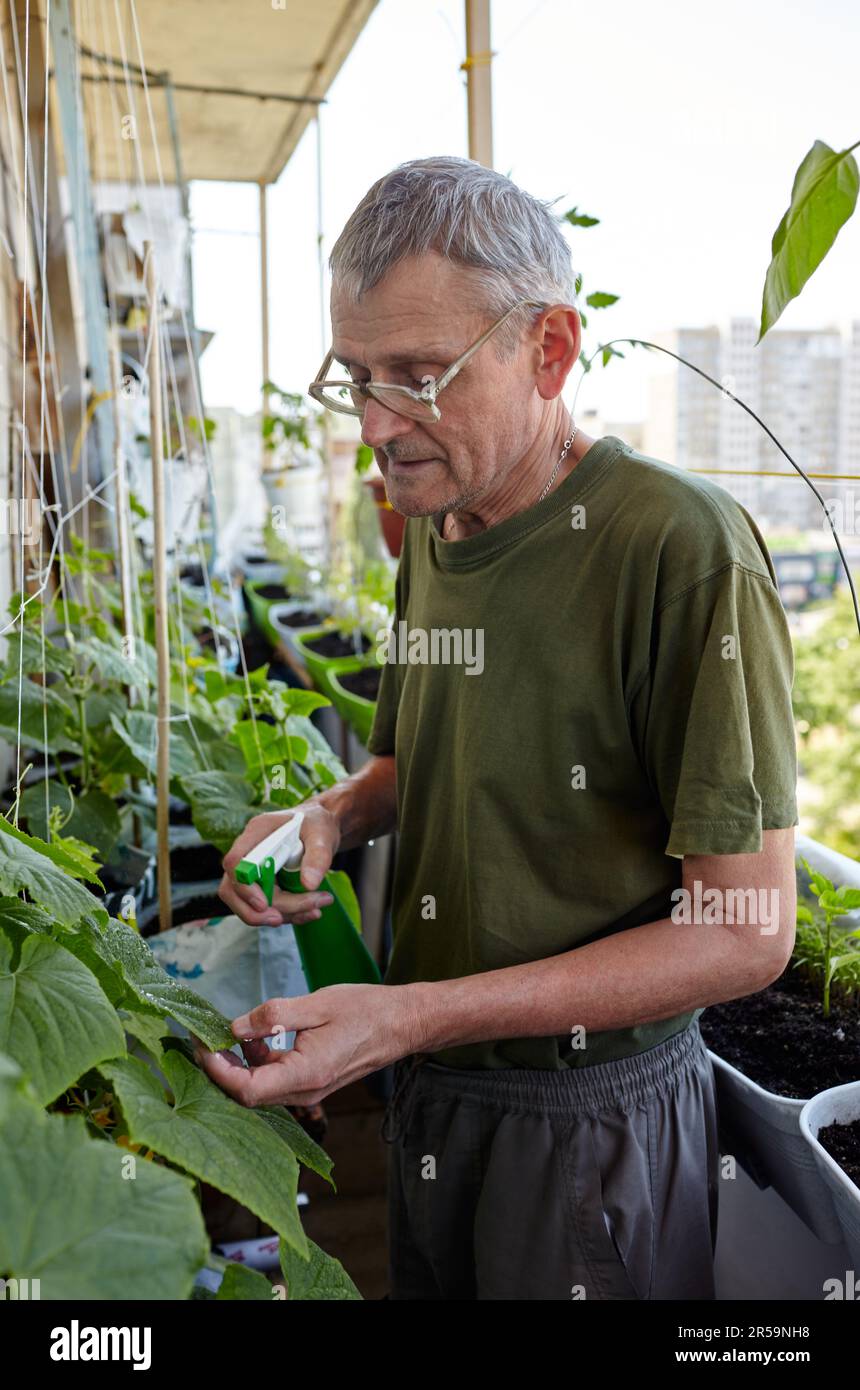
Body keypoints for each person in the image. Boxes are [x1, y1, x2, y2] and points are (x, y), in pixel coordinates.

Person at [199, 156, 798, 1301]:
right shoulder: (439, 509)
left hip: (586, 1120)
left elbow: (745, 932)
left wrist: (407, 1016)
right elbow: (414, 758)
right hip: (437, 1078)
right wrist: (327, 814)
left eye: (418, 376)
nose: (378, 425)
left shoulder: (679, 552)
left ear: (550, 350)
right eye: (357, 377)